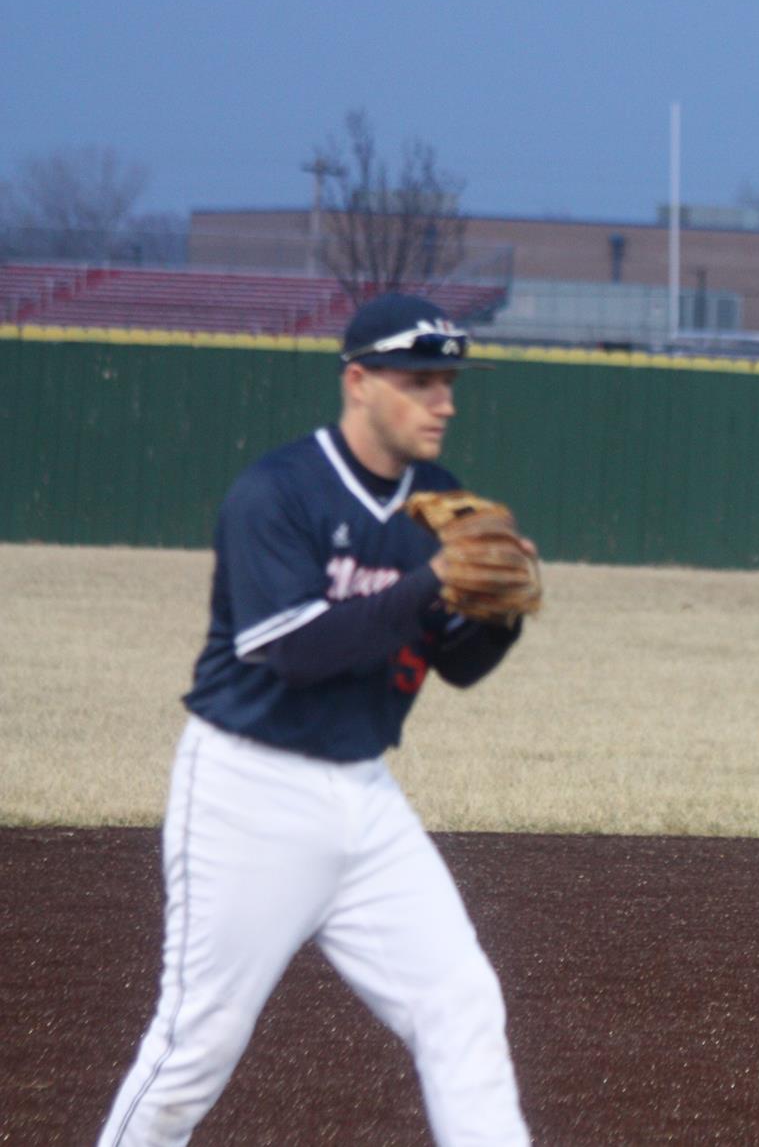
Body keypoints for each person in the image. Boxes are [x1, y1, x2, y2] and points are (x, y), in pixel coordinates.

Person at [100, 295, 535, 1146]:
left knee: (461, 1004)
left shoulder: (440, 505)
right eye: (420, 381)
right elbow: (293, 650)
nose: (443, 400)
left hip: (365, 797)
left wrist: (501, 615)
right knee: (194, 1050)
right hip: (246, 791)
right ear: (359, 379)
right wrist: (431, 582)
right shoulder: (278, 491)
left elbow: (459, 665)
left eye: (448, 381)